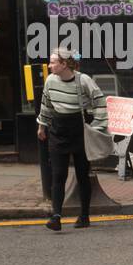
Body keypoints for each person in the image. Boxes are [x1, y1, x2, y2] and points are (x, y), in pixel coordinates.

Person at [37, 44, 107, 232]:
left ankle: (84, 215)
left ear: (64, 64)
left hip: (80, 132)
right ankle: (56, 216)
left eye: (52, 62)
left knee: (82, 175)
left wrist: (98, 126)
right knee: (58, 175)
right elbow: (46, 104)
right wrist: (42, 125)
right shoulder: (50, 81)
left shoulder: (83, 80)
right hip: (58, 131)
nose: (49, 66)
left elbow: (100, 101)